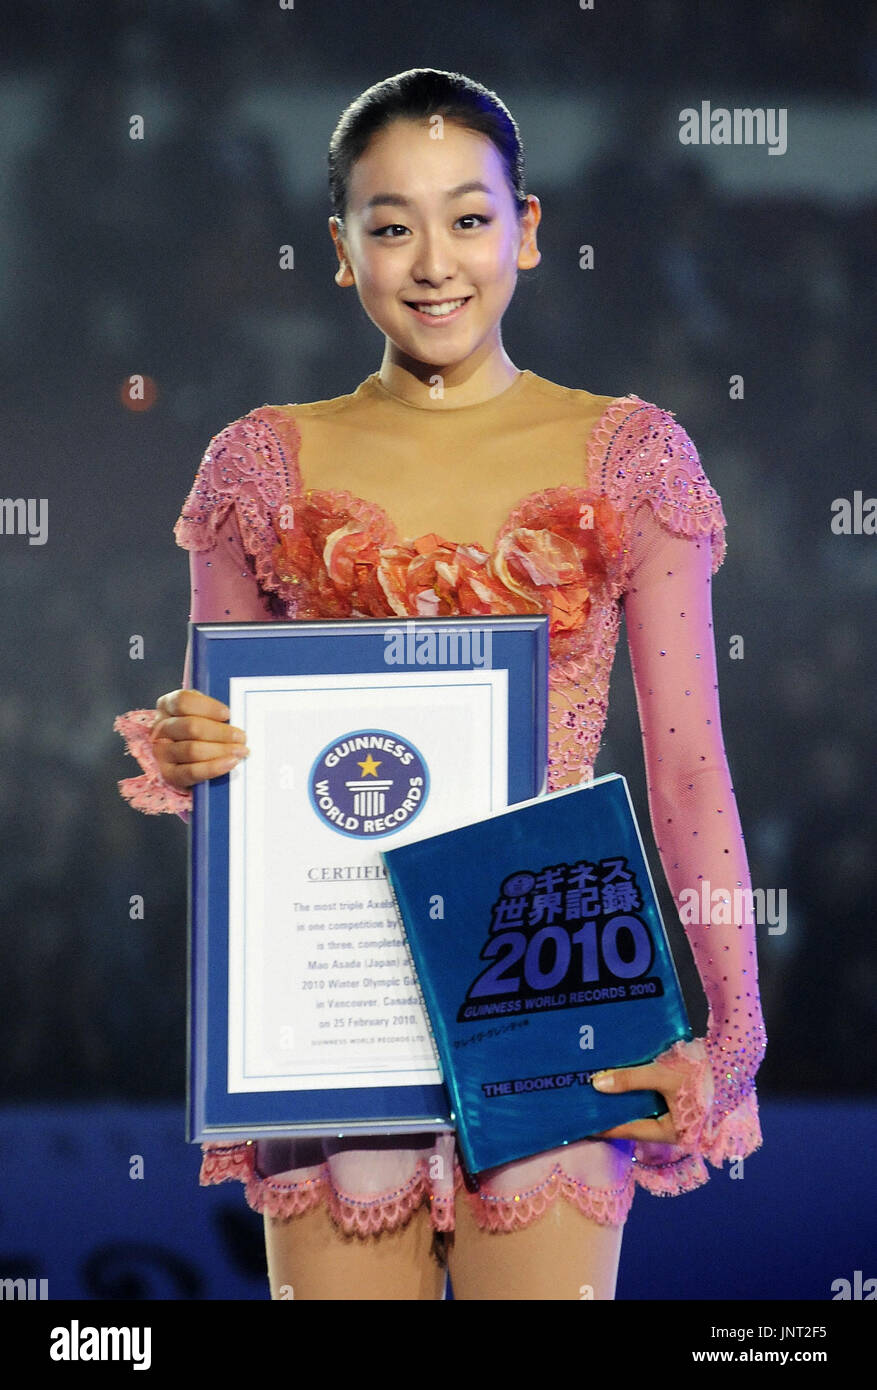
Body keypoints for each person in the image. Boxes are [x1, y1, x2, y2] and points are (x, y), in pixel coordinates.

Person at [114, 68, 767, 1301]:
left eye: (468, 218)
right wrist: (194, 749)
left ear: (525, 229)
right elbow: (233, 776)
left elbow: (687, 767)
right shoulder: (261, 463)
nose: (433, 260)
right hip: (335, 1013)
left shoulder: (629, 457)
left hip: (550, 995)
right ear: (339, 247)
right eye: (389, 222)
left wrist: (728, 1024)